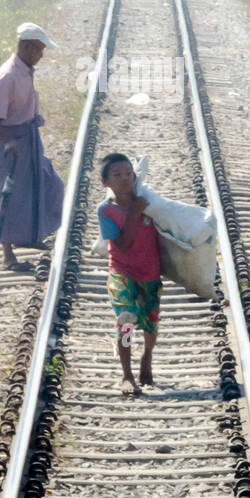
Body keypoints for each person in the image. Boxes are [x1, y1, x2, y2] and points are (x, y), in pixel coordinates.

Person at [0, 23, 64, 272]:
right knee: (8, 198)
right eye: (39, 49)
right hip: (9, 143)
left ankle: (33, 235)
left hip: (26, 138)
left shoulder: (25, 70)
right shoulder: (8, 75)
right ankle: (7, 255)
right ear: (27, 48)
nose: (42, 55)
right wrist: (8, 140)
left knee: (48, 185)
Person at [98, 153, 162, 397]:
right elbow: (122, 245)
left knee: (150, 323)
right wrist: (135, 213)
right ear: (105, 183)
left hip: (149, 272)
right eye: (117, 175)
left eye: (128, 174)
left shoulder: (149, 203)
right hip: (122, 271)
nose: (124, 179)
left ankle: (147, 358)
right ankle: (127, 375)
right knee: (125, 320)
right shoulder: (106, 211)